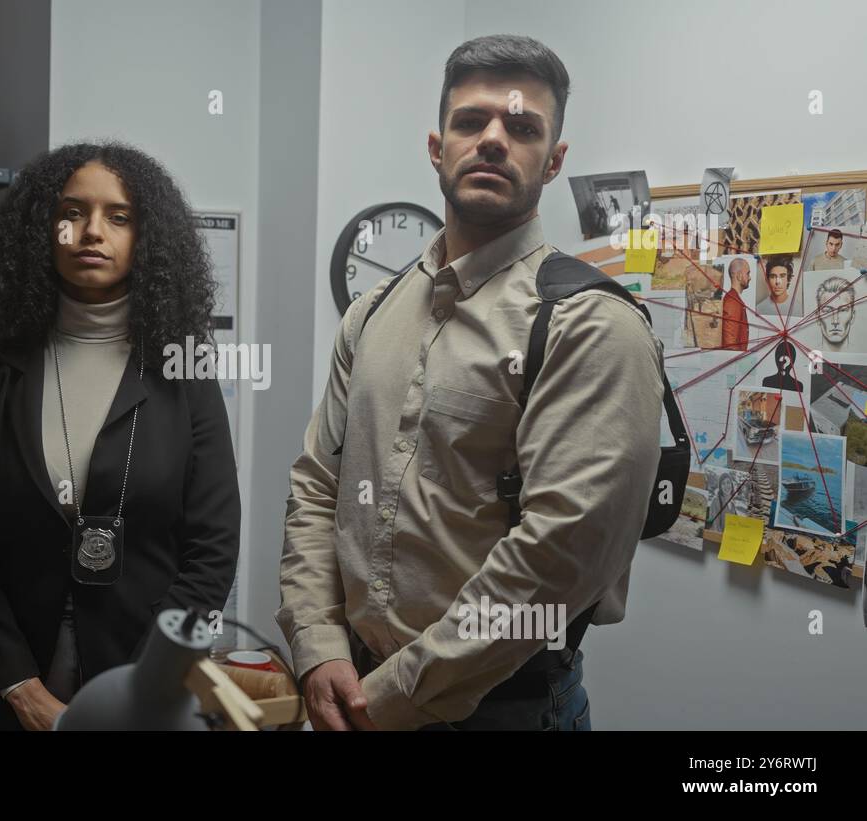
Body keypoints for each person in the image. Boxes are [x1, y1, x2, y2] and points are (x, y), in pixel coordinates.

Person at [278, 34, 664, 731]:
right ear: (437, 147)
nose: (492, 140)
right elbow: (315, 485)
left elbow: (557, 556)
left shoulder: (590, 325)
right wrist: (318, 645)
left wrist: (394, 695)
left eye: (521, 128)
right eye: (471, 121)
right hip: (351, 687)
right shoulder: (371, 314)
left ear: (554, 160)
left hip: (502, 712)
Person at [0, 142, 240, 731]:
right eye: (71, 212)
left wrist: (147, 681)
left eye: (118, 217)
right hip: (8, 696)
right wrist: (20, 688)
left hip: (146, 692)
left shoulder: (186, 373)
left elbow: (212, 549)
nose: (91, 232)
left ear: (145, 238)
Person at [721, 257, 751, 351]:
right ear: (739, 276)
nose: (750, 278)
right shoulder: (732, 302)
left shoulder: (734, 299)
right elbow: (730, 343)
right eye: (748, 273)